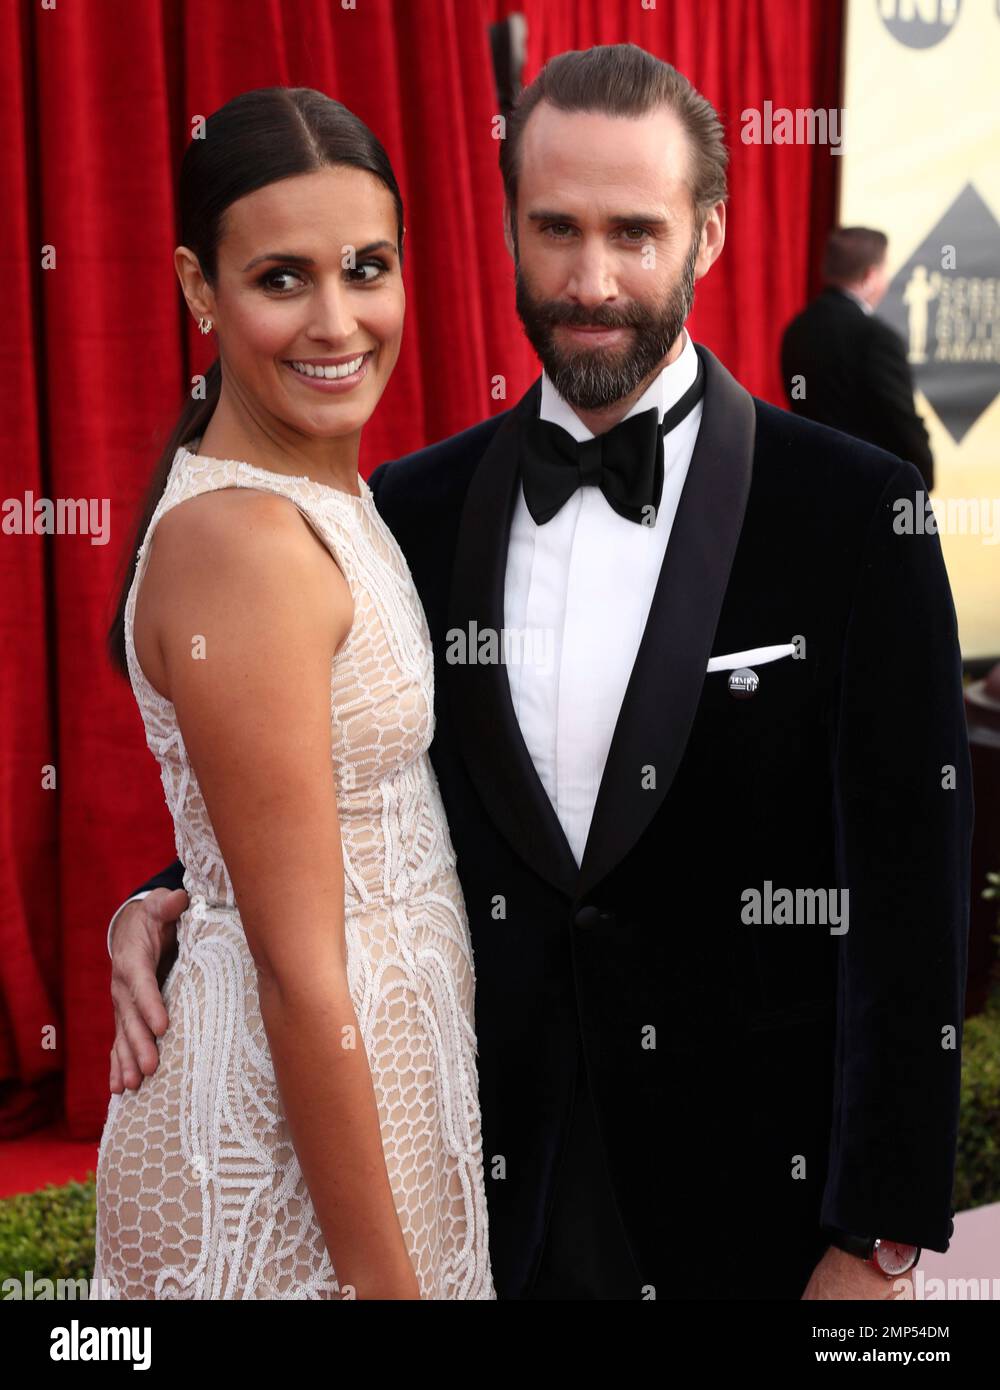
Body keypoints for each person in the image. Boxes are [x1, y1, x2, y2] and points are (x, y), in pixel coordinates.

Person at [107, 47, 971, 1301]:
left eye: (634, 231)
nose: (591, 279)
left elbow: (911, 892)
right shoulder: (408, 504)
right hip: (478, 1170)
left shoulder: (854, 513)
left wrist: (875, 1233)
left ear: (708, 234)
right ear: (505, 225)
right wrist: (167, 894)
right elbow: (329, 766)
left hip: (750, 1206)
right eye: (554, 228)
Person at [94, 86, 494, 1301]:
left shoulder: (321, 499)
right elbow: (296, 968)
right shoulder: (246, 544)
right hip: (288, 1145)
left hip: (374, 1099)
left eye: (368, 268)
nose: (338, 320)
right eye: (281, 278)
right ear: (196, 287)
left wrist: (166, 894)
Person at [780, 226, 935, 488]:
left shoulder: (797, 329)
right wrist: (923, 474)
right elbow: (900, 420)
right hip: (868, 492)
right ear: (870, 276)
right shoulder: (877, 339)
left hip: (808, 486)